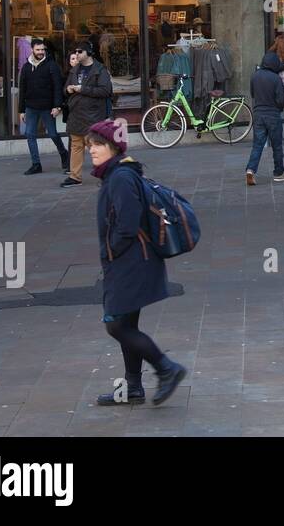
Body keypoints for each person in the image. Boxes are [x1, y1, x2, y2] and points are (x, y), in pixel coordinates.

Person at [89, 121, 187, 406]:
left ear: (113, 147)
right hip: (132, 261)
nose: (91, 150)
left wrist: (110, 251)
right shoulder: (120, 173)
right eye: (90, 145)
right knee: (127, 323)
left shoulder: (120, 177)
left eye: (97, 144)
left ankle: (166, 368)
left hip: (130, 262)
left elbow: (128, 224)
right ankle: (133, 387)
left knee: (117, 326)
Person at [62, 43, 113, 188]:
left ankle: (106, 176)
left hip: (93, 114)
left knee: (97, 147)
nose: (76, 54)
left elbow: (105, 91)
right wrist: (69, 90)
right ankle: (74, 176)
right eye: (75, 51)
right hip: (76, 114)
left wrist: (83, 89)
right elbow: (64, 89)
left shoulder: (99, 69)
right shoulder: (74, 70)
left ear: (89, 52)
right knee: (76, 147)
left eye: (80, 51)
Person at [18, 37, 68, 176]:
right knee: (30, 134)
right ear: (32, 50)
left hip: (47, 107)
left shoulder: (52, 65)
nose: (40, 52)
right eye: (38, 49)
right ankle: (36, 164)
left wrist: (57, 106)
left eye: (42, 49)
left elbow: (57, 87)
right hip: (31, 107)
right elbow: (22, 89)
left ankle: (64, 154)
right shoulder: (26, 67)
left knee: (52, 134)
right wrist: (21, 110)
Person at [246, 50, 284, 185]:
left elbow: (253, 94)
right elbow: (280, 100)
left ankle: (250, 169)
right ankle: (279, 172)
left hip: (258, 114)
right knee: (277, 146)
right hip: (272, 115)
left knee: (257, 145)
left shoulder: (255, 76)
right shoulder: (276, 78)